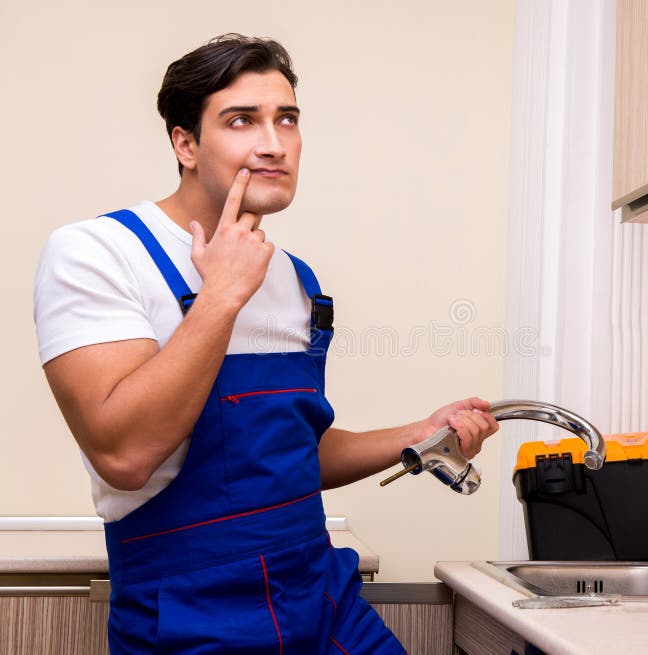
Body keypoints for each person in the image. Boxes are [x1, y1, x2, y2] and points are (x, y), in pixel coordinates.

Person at [34, 34, 499, 654]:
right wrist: (221, 295)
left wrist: (419, 432)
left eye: (287, 119)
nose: (273, 143)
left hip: (320, 594)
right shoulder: (97, 254)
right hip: (189, 613)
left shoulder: (296, 281)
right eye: (241, 120)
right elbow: (125, 456)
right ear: (185, 143)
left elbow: (285, 451)